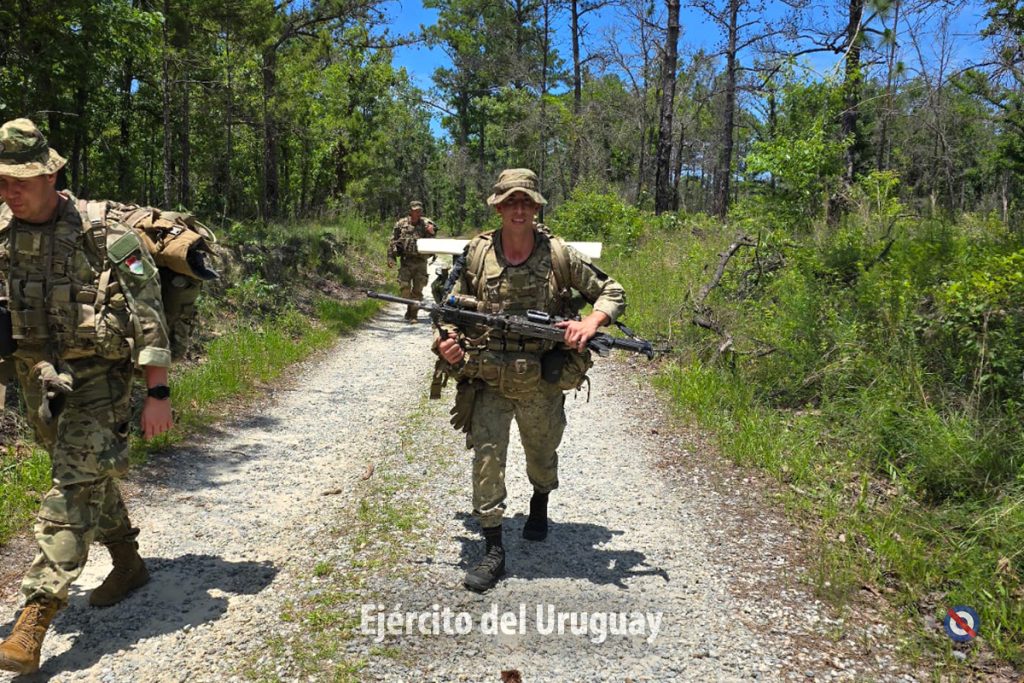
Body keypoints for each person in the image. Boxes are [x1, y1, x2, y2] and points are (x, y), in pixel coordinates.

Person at [0, 118, 173, 674]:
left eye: (20, 179)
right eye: (2, 180)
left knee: (71, 484)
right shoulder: (1, 231)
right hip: (36, 376)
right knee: (84, 472)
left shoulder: (110, 234)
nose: (10, 190)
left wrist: (158, 393)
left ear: (53, 173)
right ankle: (128, 561)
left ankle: (36, 614)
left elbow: (149, 314)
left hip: (100, 376)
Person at [435, 168, 626, 592]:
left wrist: (591, 321)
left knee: (542, 453)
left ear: (536, 207)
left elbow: (612, 291)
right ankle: (493, 546)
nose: (518, 209)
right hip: (487, 375)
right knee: (487, 459)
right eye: (510, 202)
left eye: (526, 202)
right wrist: (447, 343)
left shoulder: (559, 254)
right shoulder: (475, 254)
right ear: (498, 207)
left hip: (542, 377)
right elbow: (447, 310)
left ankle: (540, 500)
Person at [387, 200, 437, 322]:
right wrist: (390, 257)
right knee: (404, 288)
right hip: (406, 261)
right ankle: (410, 307)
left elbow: (434, 236)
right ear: (410, 211)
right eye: (415, 210)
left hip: (421, 262)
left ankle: (413, 315)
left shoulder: (426, 223)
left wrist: (432, 231)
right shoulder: (401, 224)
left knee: (418, 290)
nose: (418, 213)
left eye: (419, 210)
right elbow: (393, 241)